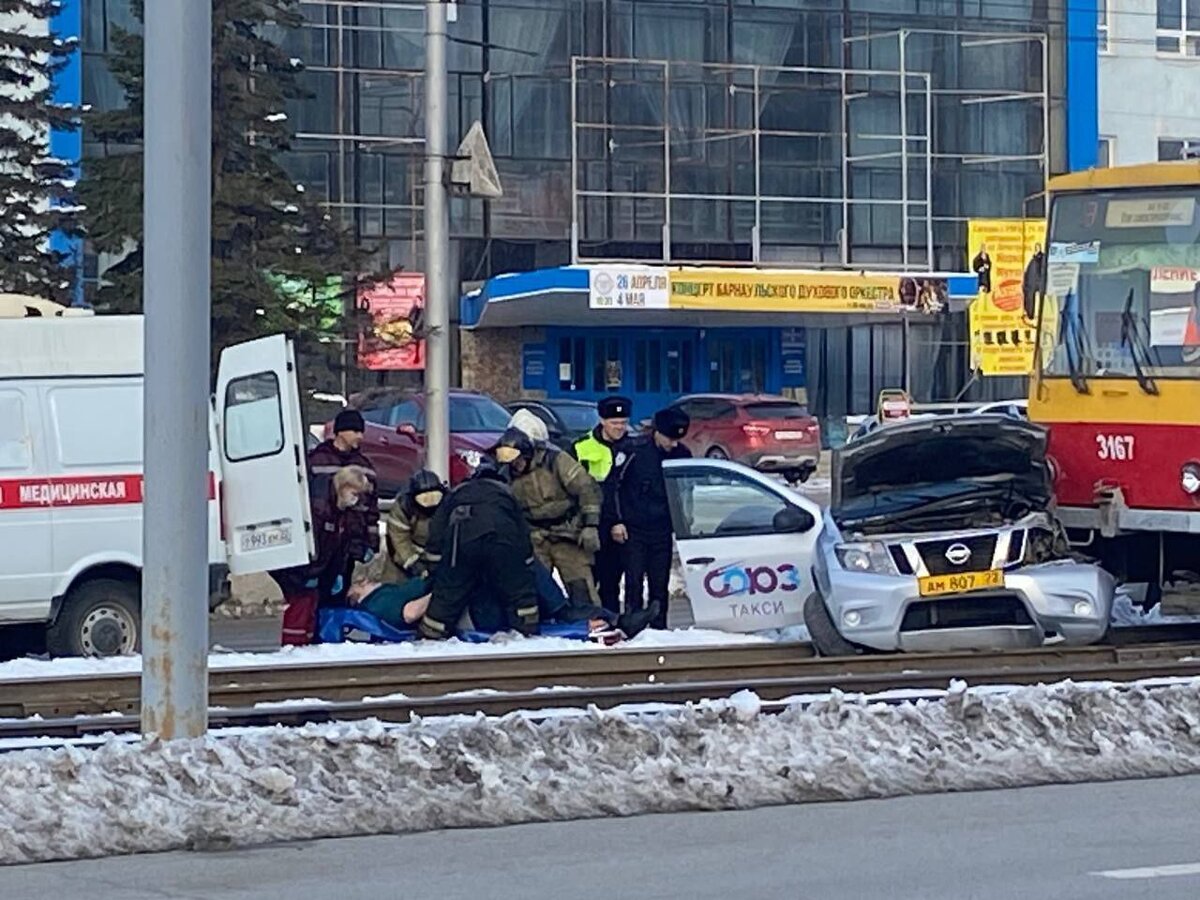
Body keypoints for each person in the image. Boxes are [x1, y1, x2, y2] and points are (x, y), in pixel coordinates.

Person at [417, 457, 541, 640]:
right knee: (519, 591)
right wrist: (526, 563)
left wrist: (436, 569)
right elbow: (522, 533)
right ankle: (527, 630)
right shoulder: (506, 493)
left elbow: (437, 532)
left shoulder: (457, 493)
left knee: (448, 594)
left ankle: (431, 634)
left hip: (463, 540)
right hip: (503, 541)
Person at [495, 427, 604, 609]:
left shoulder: (556, 461)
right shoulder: (505, 476)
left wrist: (590, 525)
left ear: (528, 453)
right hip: (535, 537)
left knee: (581, 589)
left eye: (518, 460)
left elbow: (587, 489)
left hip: (568, 533)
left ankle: (593, 622)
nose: (515, 465)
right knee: (536, 589)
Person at [605, 407, 692, 630]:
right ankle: (633, 625)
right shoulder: (633, 450)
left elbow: (686, 492)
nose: (673, 444)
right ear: (657, 432)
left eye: (677, 439)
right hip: (633, 529)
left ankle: (659, 629)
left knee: (659, 584)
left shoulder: (682, 454)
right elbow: (613, 487)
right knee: (633, 582)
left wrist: (685, 521)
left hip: (662, 530)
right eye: (670, 438)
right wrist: (617, 520)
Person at [273, 465, 373, 645]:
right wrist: (307, 574)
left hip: (315, 570)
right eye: (354, 493)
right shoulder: (319, 507)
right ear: (343, 487)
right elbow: (312, 544)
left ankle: (304, 645)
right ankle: (293, 647)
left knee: (310, 608)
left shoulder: (338, 509)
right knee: (300, 608)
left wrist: (335, 574)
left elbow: (338, 545)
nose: (355, 499)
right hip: (300, 569)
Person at [308, 408, 380, 602]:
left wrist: (371, 543)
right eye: (356, 431)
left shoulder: (365, 467)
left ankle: (333, 631)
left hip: (349, 545)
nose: (361, 436)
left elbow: (371, 510)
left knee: (339, 597)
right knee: (316, 599)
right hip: (321, 543)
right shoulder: (316, 461)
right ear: (340, 431)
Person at [570, 396, 632, 615]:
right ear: (602, 421)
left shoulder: (633, 447)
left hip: (621, 524)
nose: (620, 428)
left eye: (624, 423)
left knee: (612, 581)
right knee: (587, 581)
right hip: (591, 525)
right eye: (615, 423)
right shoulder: (580, 447)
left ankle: (612, 620)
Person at [384, 469, 447, 585]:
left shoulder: (449, 505)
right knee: (398, 588)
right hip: (408, 554)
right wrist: (413, 563)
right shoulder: (404, 507)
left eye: (435, 497)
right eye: (424, 499)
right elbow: (399, 539)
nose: (430, 503)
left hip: (439, 555)